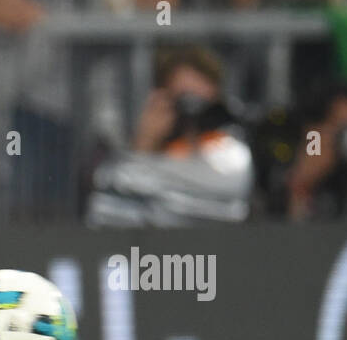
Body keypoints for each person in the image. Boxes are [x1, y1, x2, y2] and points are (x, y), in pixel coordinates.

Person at [86, 45, 253, 226]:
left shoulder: (232, 150)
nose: (192, 115)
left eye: (200, 103)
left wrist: (146, 190)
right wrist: (144, 143)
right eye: (183, 102)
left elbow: (226, 195)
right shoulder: (148, 149)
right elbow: (106, 206)